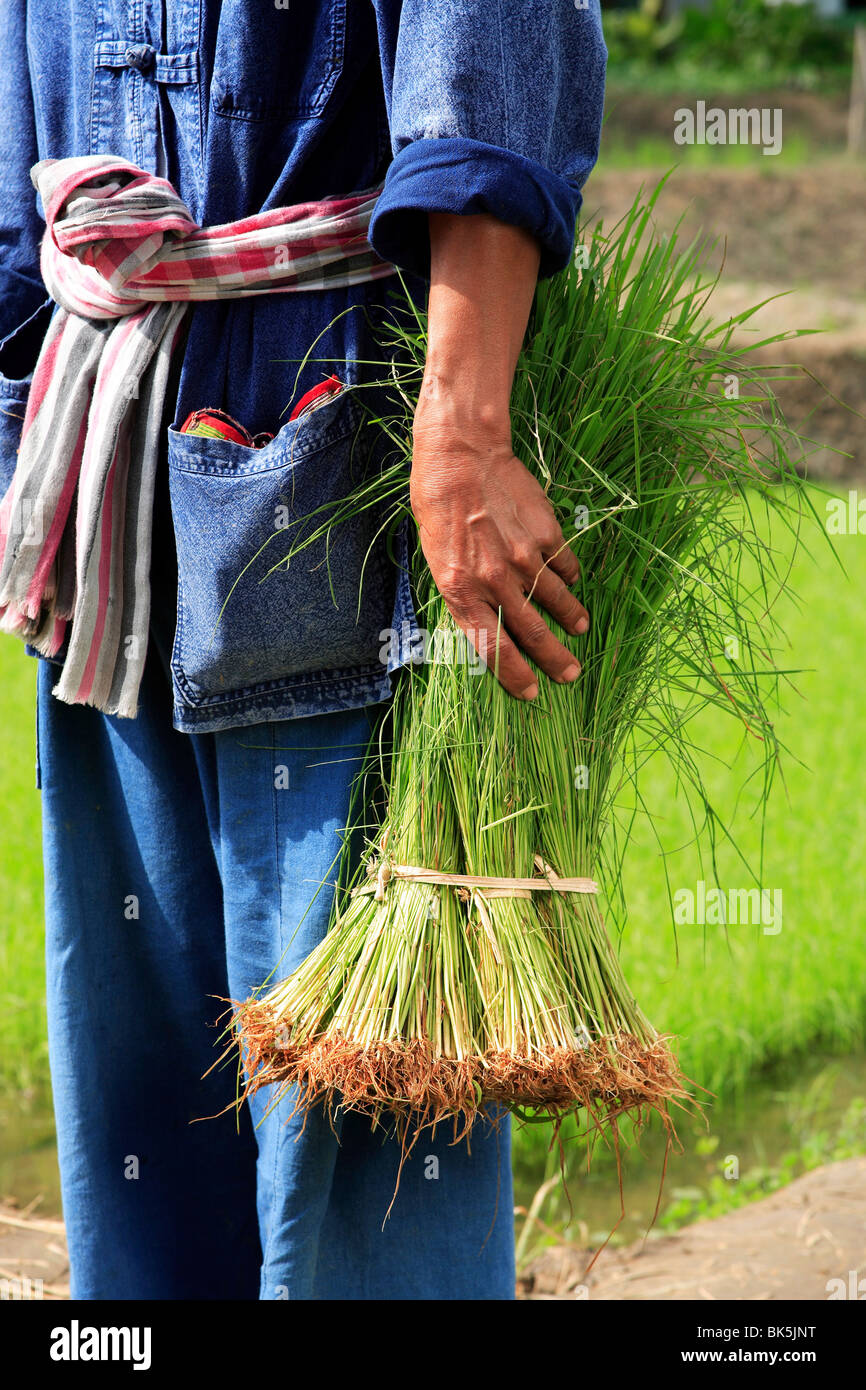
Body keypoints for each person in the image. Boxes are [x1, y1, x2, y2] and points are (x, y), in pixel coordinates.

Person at [0, 1, 606, 1300]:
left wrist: (467, 426)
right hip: (101, 513)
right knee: (148, 1101)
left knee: (365, 1117)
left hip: (347, 508)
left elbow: (489, 64)